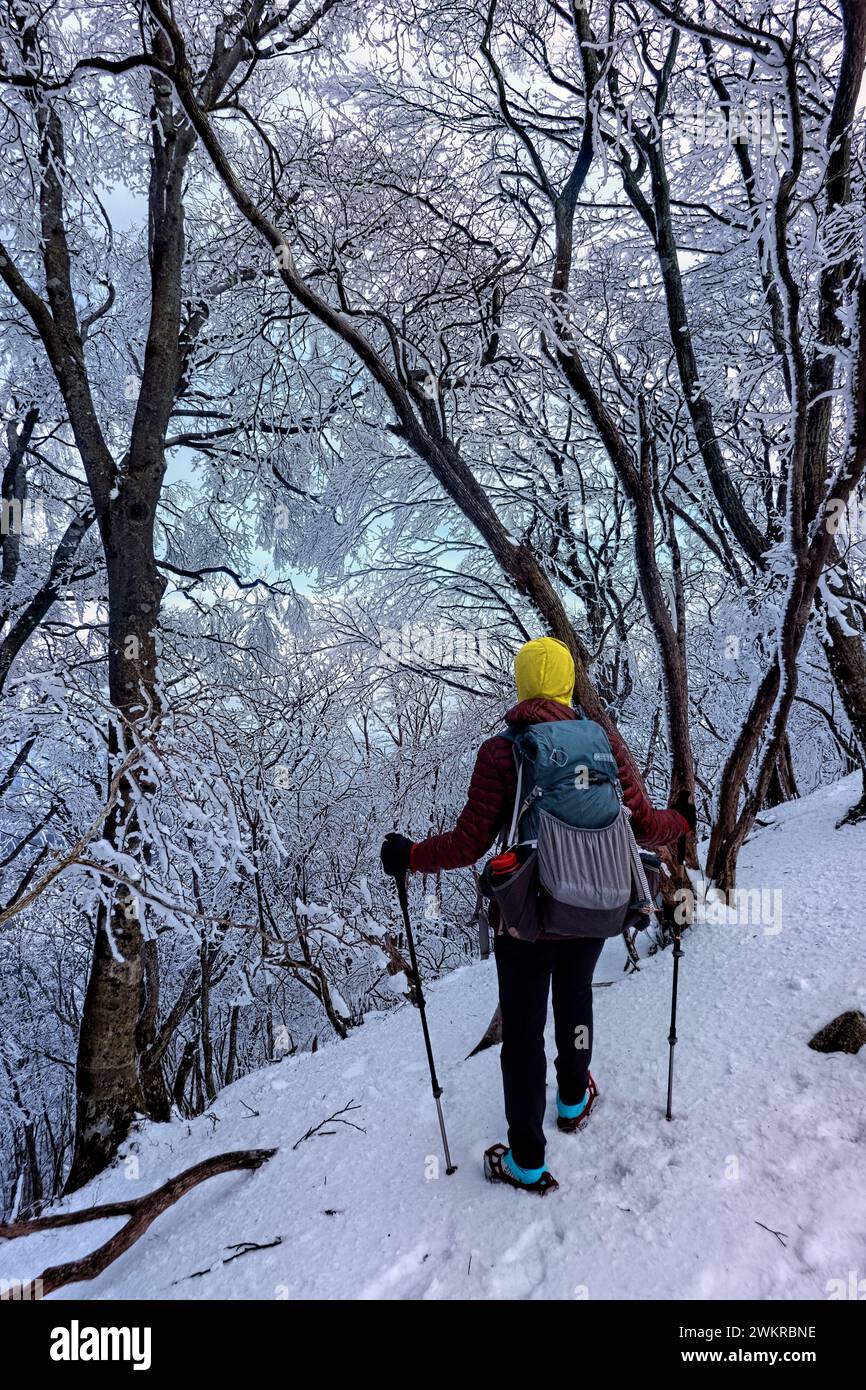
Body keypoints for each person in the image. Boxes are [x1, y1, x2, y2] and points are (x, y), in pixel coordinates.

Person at [381, 636, 694, 1195]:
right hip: (595, 906)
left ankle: (527, 1159)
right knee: (576, 996)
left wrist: (408, 856)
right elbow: (645, 826)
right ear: (569, 685)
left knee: (523, 1032)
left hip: (527, 915)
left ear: (523, 685)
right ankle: (573, 1098)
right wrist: (682, 820)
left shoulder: (503, 752)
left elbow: (467, 844)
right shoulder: (604, 743)